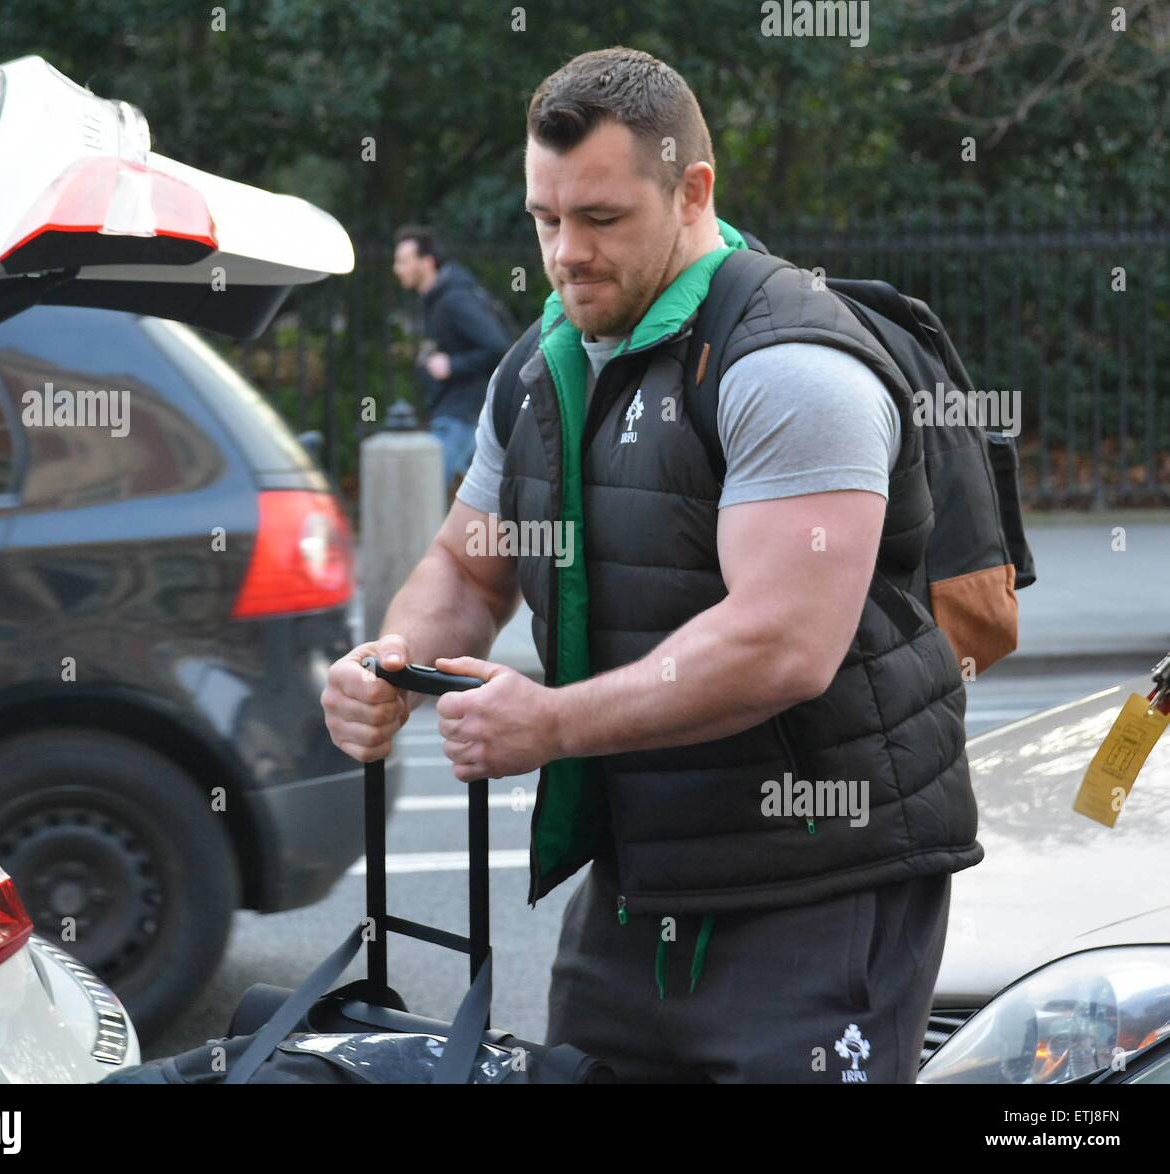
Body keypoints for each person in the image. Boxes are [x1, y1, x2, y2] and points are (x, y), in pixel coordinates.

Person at [327, 47, 982, 1083]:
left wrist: (549, 723)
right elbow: (466, 566)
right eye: (545, 219)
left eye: (600, 219)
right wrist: (392, 664)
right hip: (640, 878)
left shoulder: (790, 364)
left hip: (818, 881)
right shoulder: (539, 366)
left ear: (691, 191)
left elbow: (783, 645)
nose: (564, 254)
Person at [392, 226, 513, 497]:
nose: (396, 269)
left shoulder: (454, 299)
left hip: (462, 413)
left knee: (423, 492)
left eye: (403, 261)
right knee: (483, 497)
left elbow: (499, 347)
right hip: (459, 411)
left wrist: (451, 365)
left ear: (427, 262)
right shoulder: (436, 300)